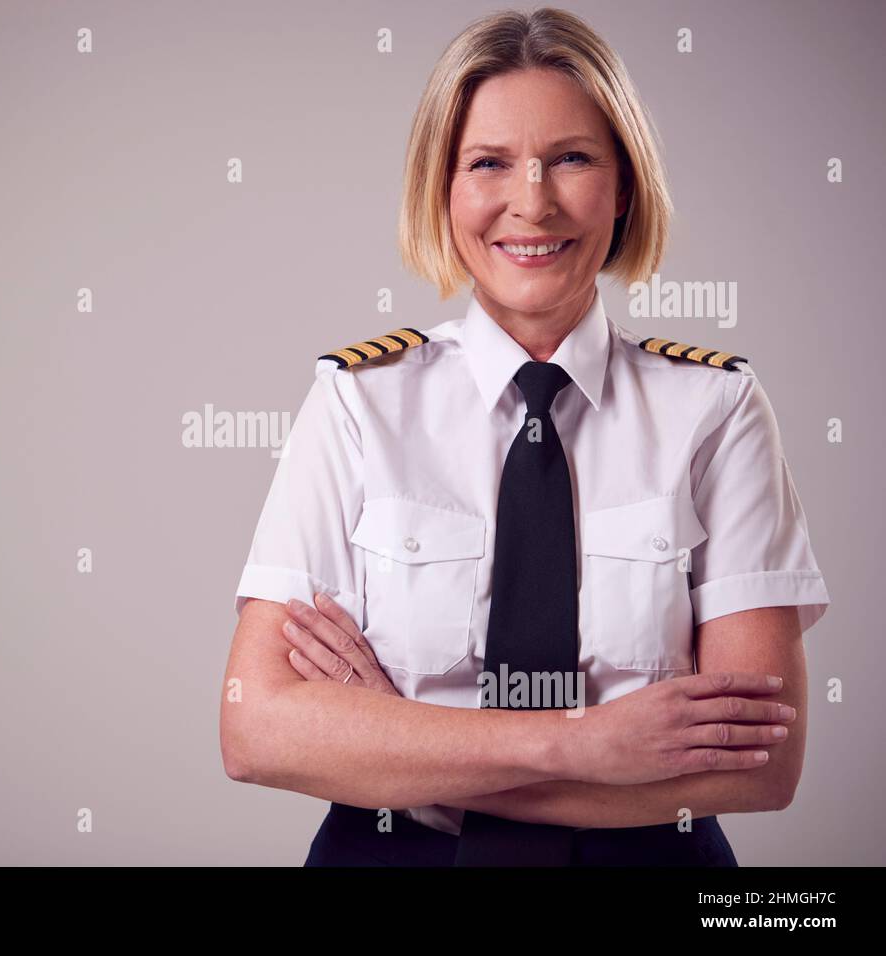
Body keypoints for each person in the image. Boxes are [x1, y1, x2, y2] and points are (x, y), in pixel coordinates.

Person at [219, 7, 829, 867]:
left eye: (572, 158)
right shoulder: (357, 405)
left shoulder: (716, 411)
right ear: (443, 189)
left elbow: (759, 765)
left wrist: (400, 745)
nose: (531, 201)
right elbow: (258, 730)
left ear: (624, 187)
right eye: (489, 163)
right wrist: (581, 743)